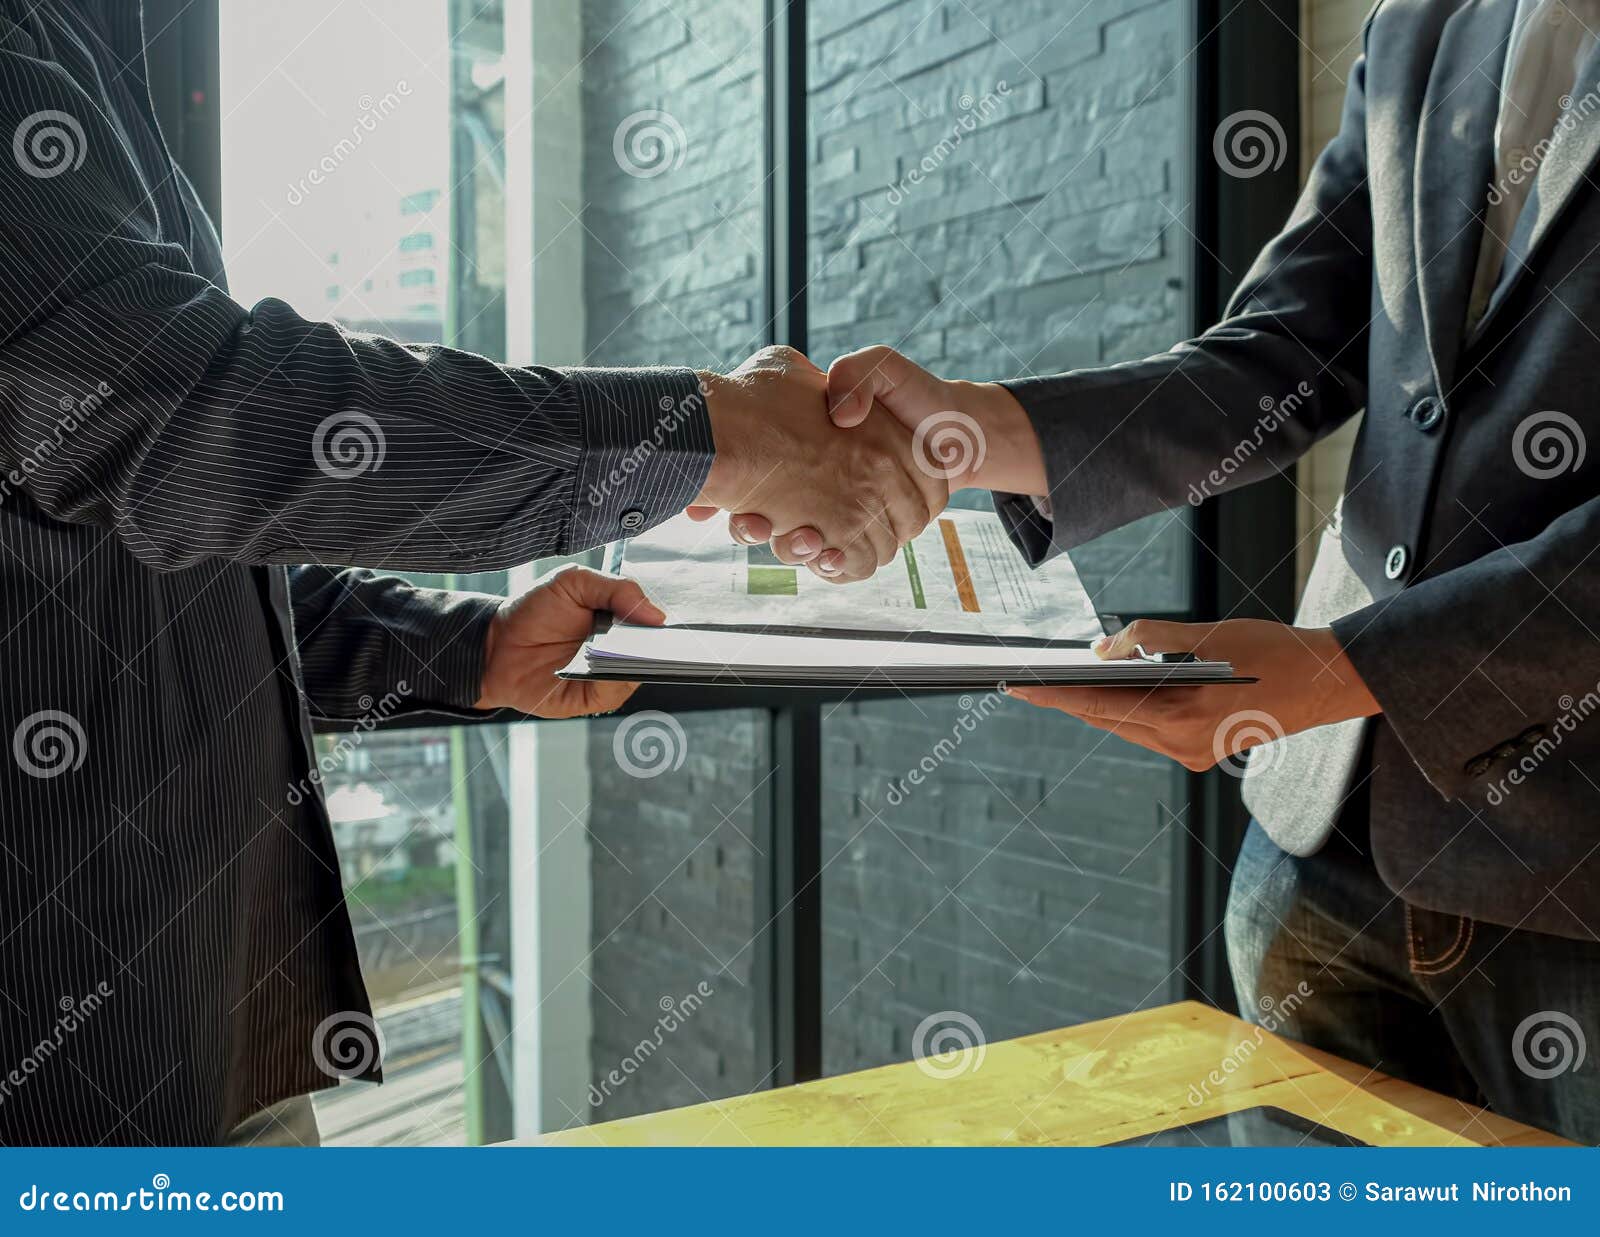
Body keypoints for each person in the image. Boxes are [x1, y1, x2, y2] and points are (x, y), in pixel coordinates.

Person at [0, 3, 943, 1144]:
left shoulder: (77, 51)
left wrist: (469, 649)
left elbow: (153, 561)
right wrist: (717, 432)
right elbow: (198, 418)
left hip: (200, 1027)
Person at [744, 0, 1600, 1142]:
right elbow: (1279, 354)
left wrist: (1345, 668)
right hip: (1316, 844)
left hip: (1568, 878)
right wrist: (970, 427)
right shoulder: (1422, 27)